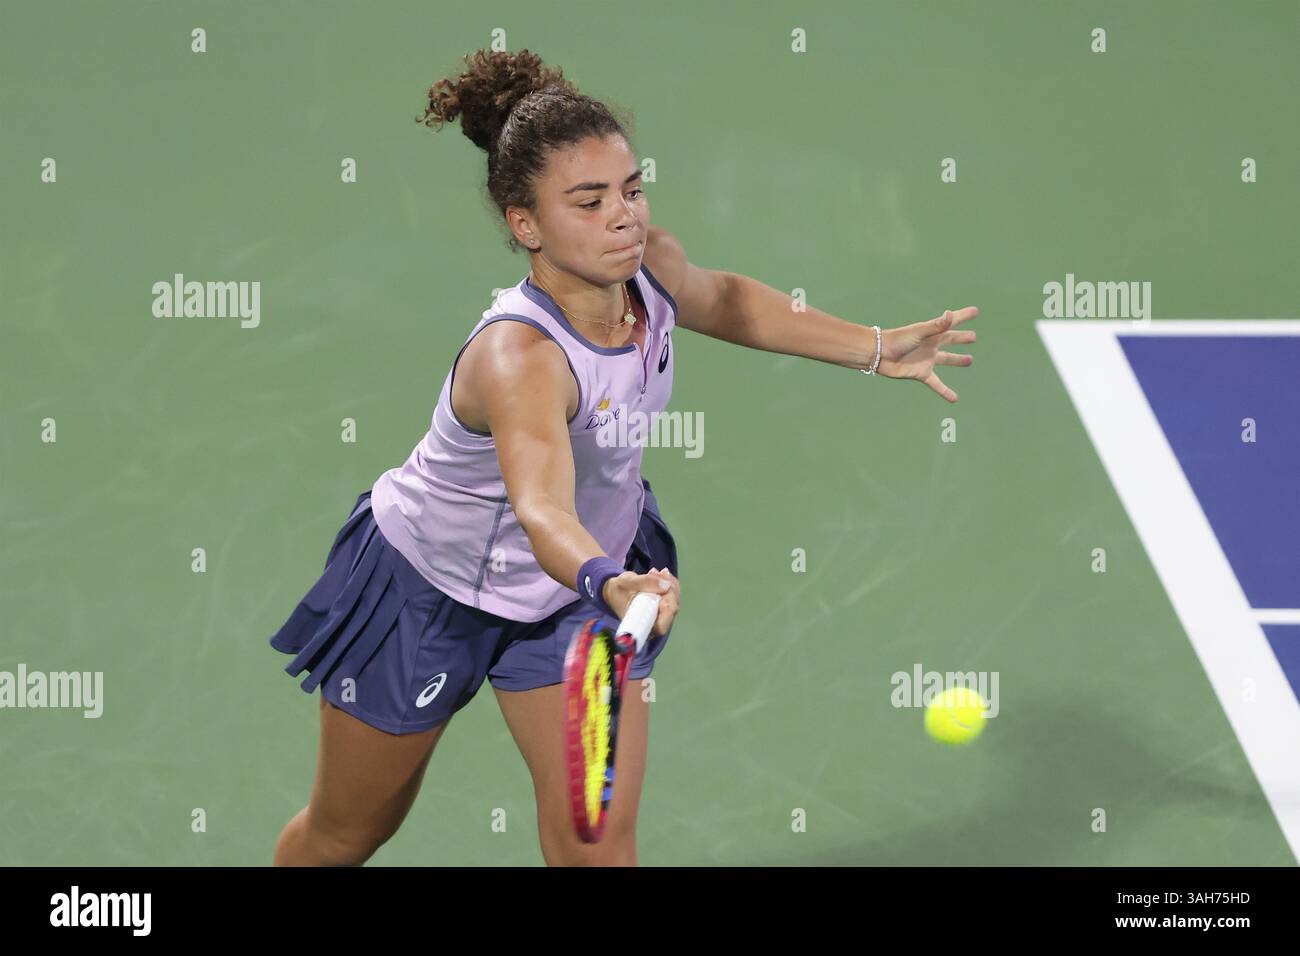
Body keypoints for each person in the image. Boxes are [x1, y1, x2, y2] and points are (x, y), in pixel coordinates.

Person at [268, 48, 977, 867]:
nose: (625, 217)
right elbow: (540, 509)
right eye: (590, 201)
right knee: (348, 834)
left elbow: (729, 300)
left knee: (597, 850)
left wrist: (877, 348)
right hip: (431, 592)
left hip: (577, 605)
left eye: (632, 190)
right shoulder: (520, 359)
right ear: (523, 223)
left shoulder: (651, 273)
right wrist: (609, 579)